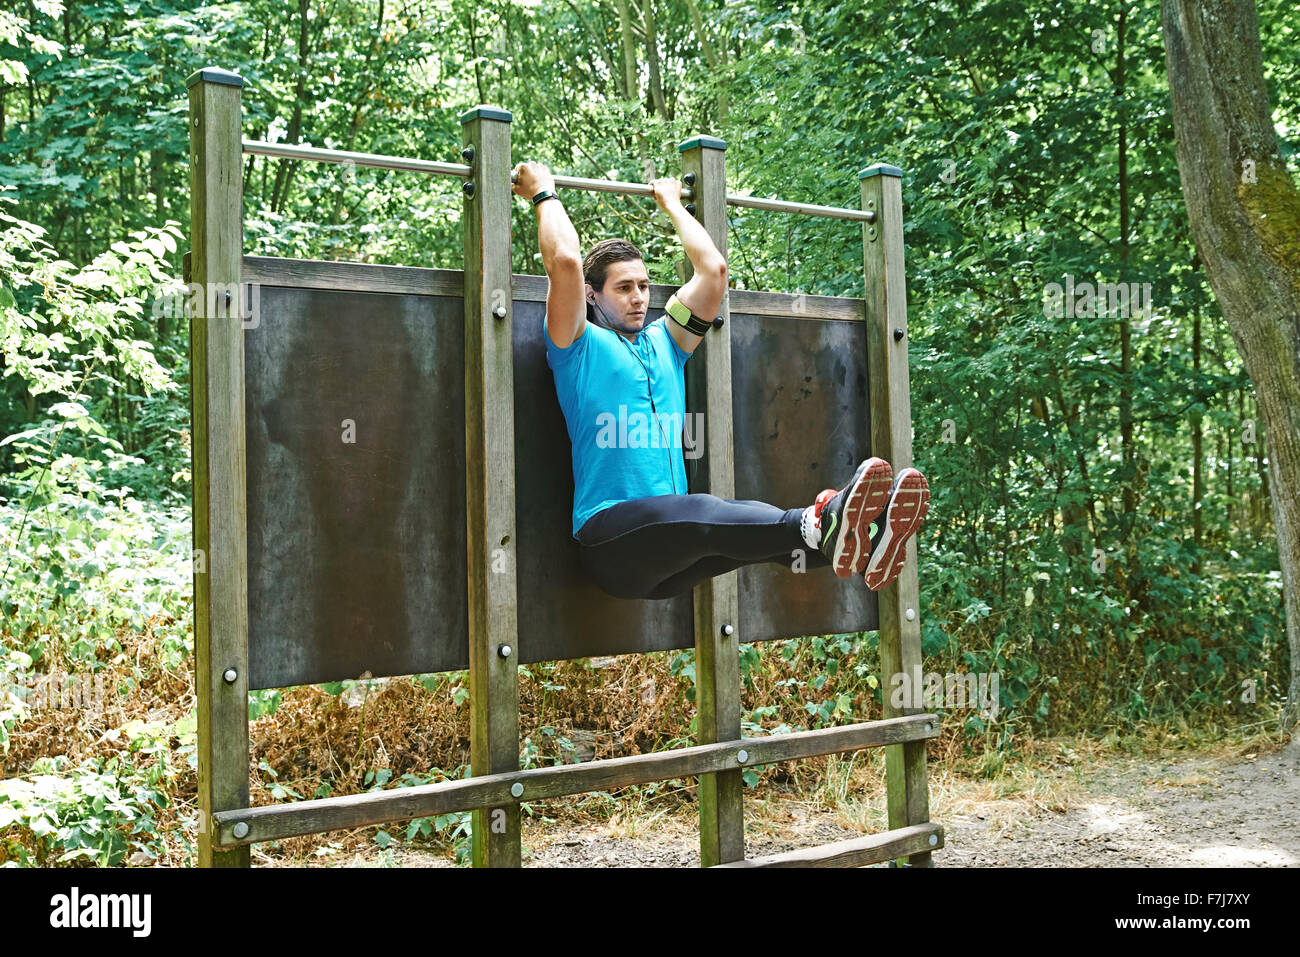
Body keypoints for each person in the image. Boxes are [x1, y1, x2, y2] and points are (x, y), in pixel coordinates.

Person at [512, 161, 930, 601]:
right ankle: (822, 517)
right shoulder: (576, 346)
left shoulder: (666, 343)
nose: (639, 297)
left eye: (644, 285)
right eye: (624, 288)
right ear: (592, 294)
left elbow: (713, 271)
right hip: (612, 542)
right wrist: (544, 193)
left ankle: (863, 541)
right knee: (706, 510)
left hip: (669, 559)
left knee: (740, 538)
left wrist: (672, 205)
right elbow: (565, 261)